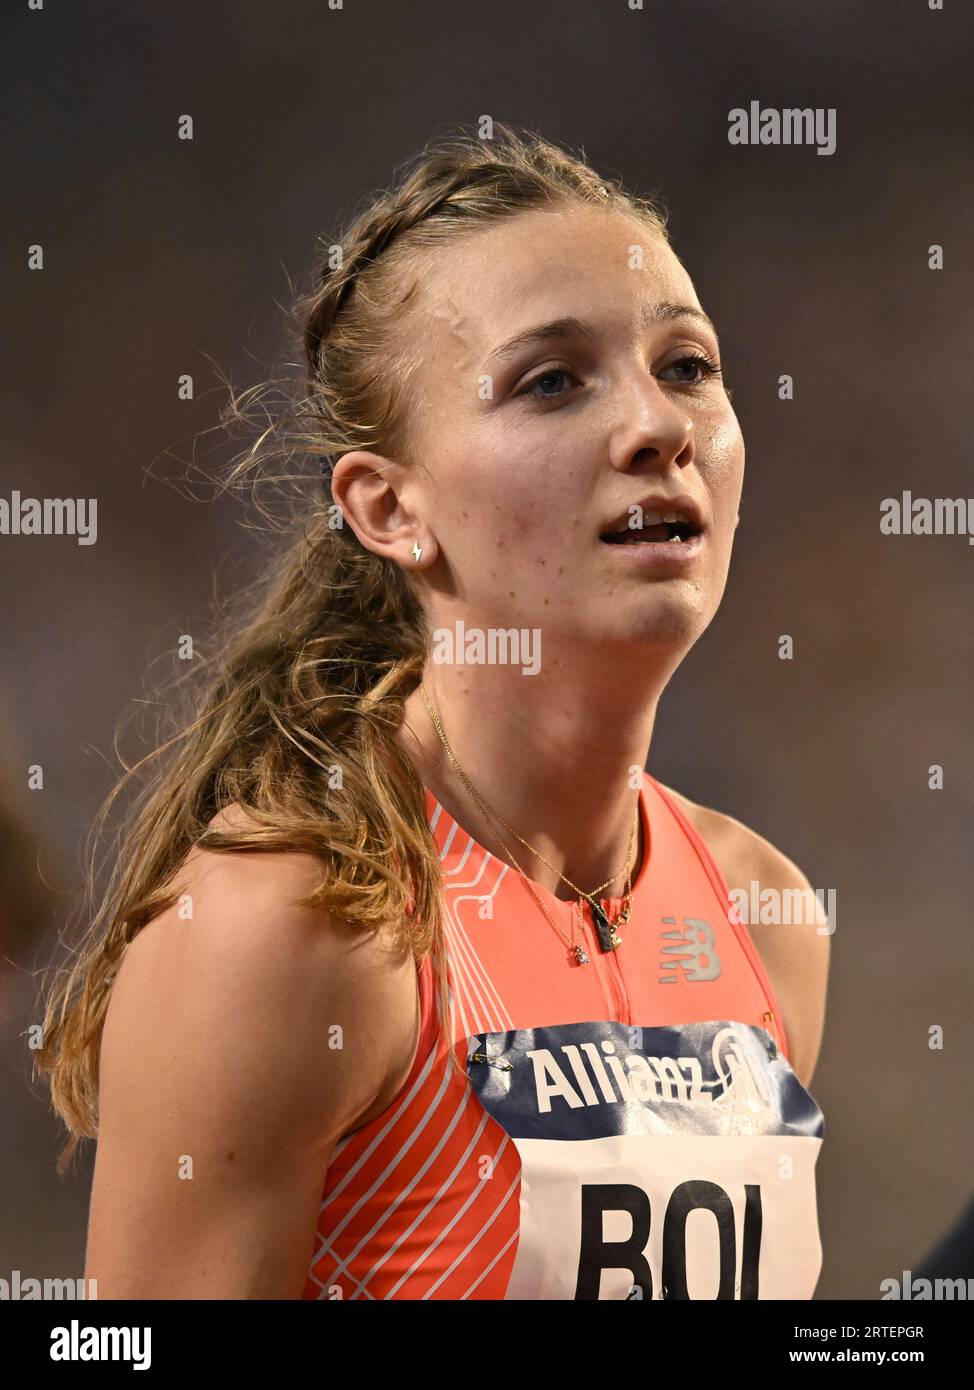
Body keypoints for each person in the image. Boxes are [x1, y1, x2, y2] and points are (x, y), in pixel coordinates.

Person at [36, 123, 830, 1300]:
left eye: (687, 365)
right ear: (389, 508)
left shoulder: (762, 915)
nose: (659, 427)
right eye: (550, 381)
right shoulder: (285, 934)